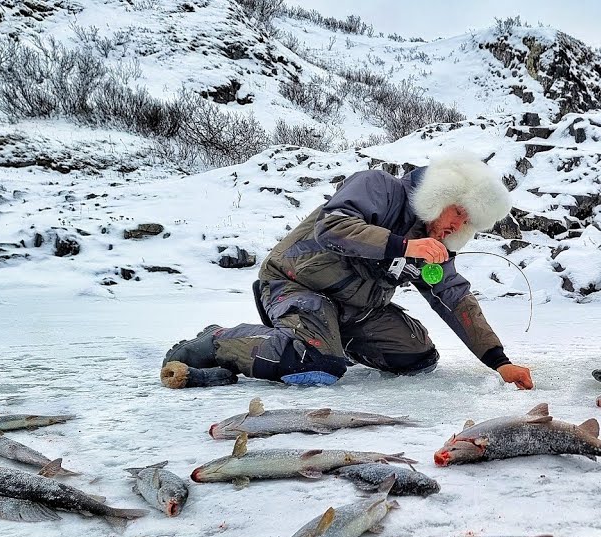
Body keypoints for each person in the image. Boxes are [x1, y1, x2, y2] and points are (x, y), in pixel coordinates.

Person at [160, 152, 534, 390]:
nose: (459, 227)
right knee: (318, 365)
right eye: (460, 213)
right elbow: (333, 229)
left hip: (355, 309)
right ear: (445, 193)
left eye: (471, 223)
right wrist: (403, 246)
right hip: (294, 284)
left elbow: (454, 297)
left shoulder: (435, 245)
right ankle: (219, 340)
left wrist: (499, 362)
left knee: (417, 358)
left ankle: (324, 340)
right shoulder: (379, 187)